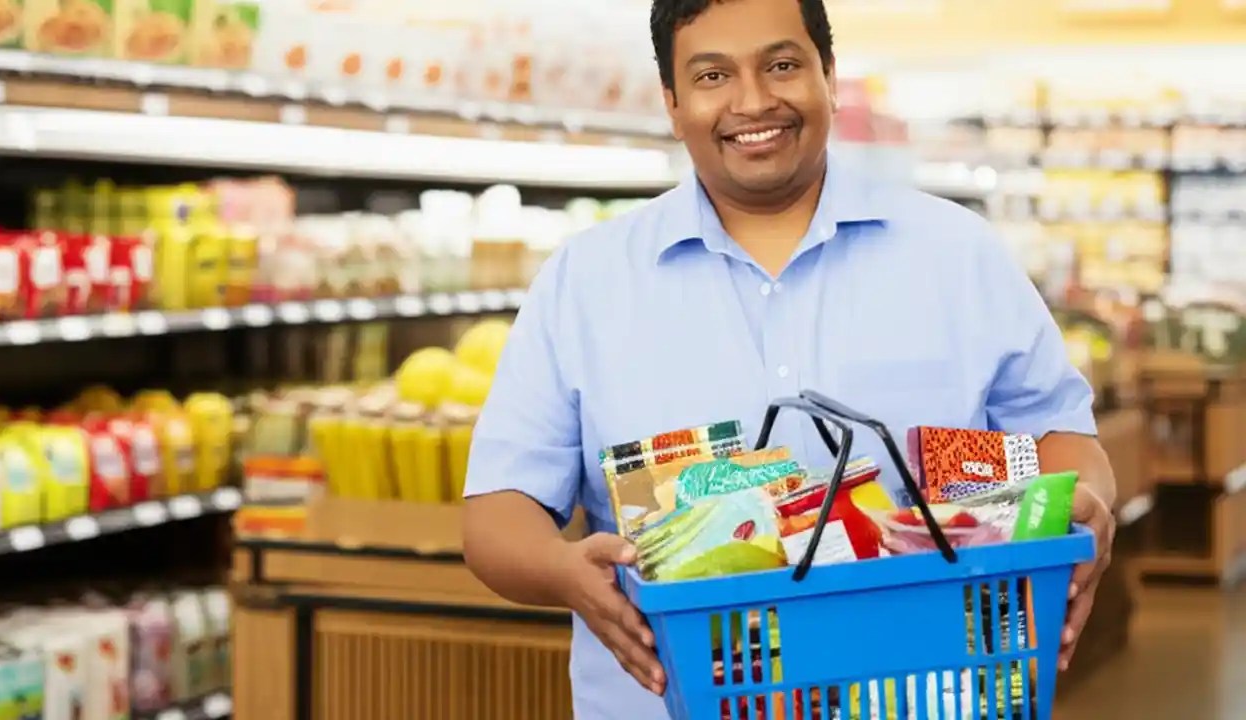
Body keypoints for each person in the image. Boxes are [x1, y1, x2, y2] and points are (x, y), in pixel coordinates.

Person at [461, 0, 1117, 716]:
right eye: (712, 76)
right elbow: (497, 513)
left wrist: (1085, 506)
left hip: (929, 694)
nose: (752, 101)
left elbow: (1061, 439)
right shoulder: (584, 283)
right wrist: (565, 571)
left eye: (781, 64)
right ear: (672, 103)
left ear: (828, 76)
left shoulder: (959, 257)